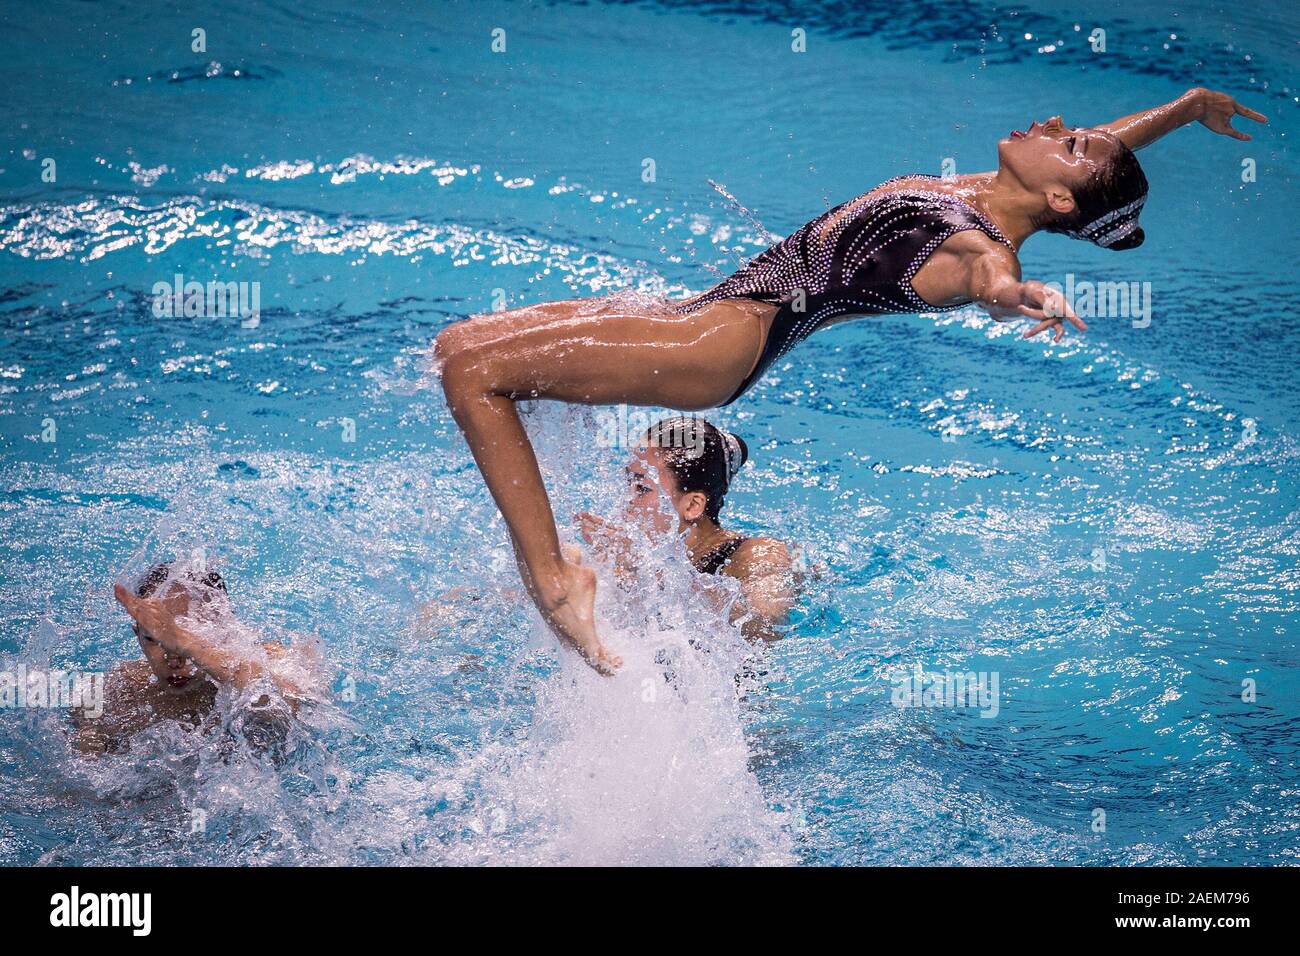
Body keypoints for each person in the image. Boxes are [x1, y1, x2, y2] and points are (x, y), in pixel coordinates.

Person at [431, 87, 1266, 673]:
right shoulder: (1000, 192)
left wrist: (1024, 298)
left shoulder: (984, 245)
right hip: (708, 313)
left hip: (724, 338)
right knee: (458, 345)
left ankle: (556, 582)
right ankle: (560, 526)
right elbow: (1093, 172)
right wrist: (1185, 111)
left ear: (1053, 193)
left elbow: (995, 284)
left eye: (1072, 141)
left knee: (478, 378)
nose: (1058, 121)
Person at [578, 417, 796, 641]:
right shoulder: (632, 560)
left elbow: (764, 622)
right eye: (627, 484)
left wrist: (644, 570)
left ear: (692, 505)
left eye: (641, 488)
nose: (625, 499)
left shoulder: (758, 553)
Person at [72, 562, 322, 756]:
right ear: (137, 634)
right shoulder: (113, 697)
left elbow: (291, 707)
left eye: (184, 636)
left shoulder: (270, 660)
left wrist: (189, 644)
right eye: (154, 638)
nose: (174, 658)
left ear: (226, 629)